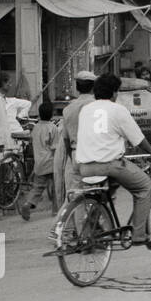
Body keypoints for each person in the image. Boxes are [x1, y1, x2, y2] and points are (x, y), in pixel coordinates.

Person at [74, 73, 151, 246]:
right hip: (109, 165)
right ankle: (139, 234)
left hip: (84, 166)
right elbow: (138, 139)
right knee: (143, 186)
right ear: (113, 93)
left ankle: (93, 229)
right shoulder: (117, 110)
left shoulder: (86, 110)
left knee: (106, 193)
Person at [55, 69, 97, 204]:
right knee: (97, 196)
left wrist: (72, 156)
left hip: (75, 155)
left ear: (77, 87)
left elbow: (66, 139)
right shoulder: (97, 105)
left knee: (77, 199)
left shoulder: (68, 109)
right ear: (93, 87)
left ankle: (78, 224)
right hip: (94, 156)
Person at [18, 97, 60, 220]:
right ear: (52, 114)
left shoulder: (35, 127)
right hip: (51, 162)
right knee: (56, 186)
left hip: (39, 163)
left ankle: (27, 204)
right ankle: (55, 210)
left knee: (37, 188)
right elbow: (55, 148)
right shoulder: (53, 128)